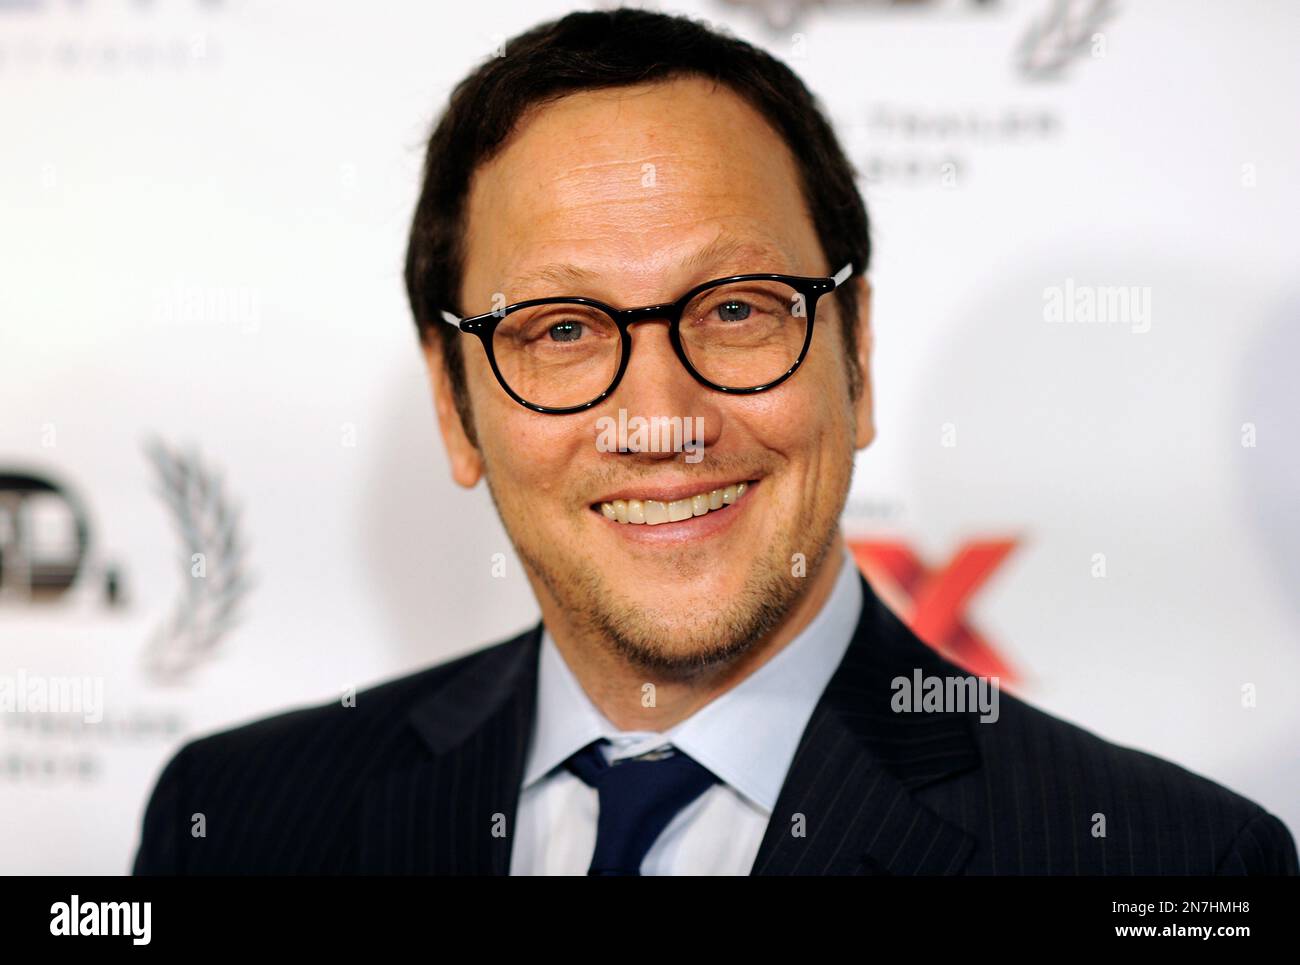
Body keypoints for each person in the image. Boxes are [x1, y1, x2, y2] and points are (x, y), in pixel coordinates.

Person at [132, 8, 1297, 876]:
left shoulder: (1168, 866)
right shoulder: (240, 820)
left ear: (857, 355)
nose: (661, 418)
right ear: (454, 403)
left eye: (736, 308)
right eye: (561, 329)